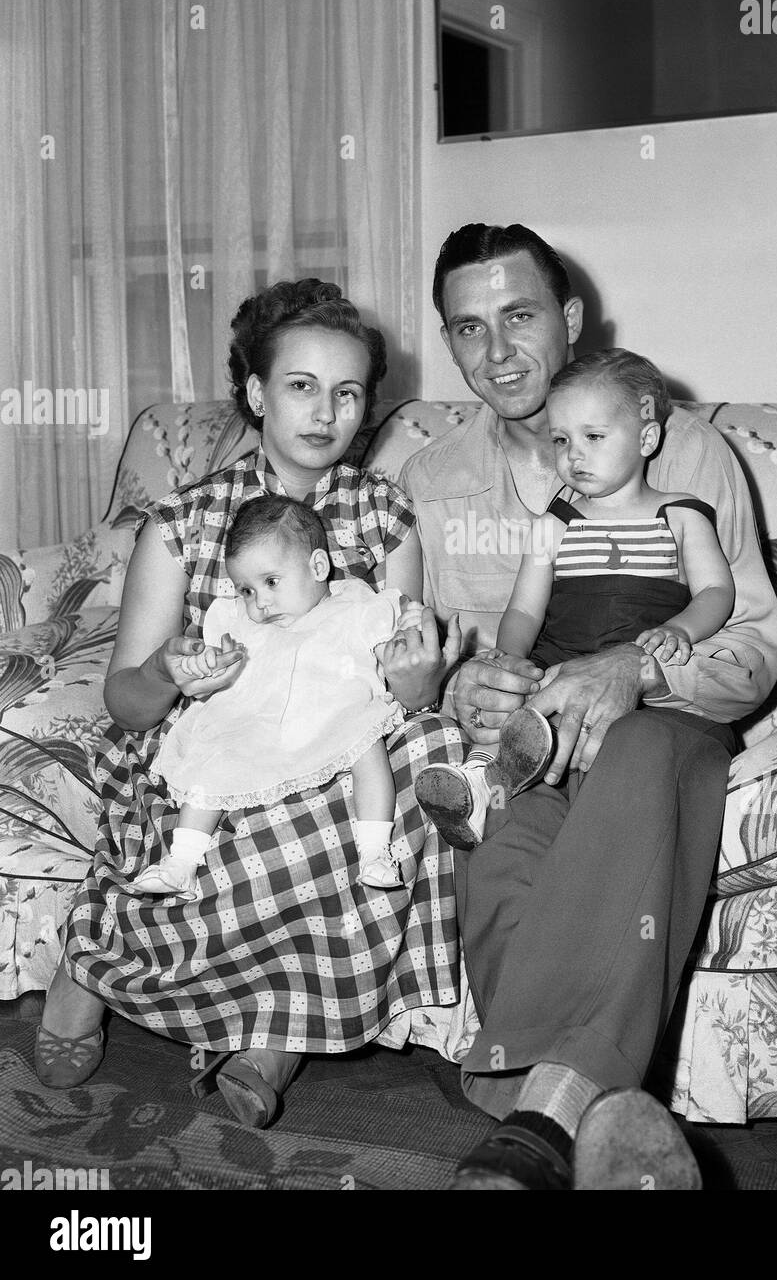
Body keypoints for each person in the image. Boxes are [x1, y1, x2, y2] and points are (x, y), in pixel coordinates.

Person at [400, 224, 777, 1189]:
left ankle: (541, 1115)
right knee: (498, 849)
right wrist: (457, 682)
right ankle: (592, 1120)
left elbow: (753, 650)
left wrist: (634, 671)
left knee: (642, 764)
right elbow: (405, 652)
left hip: (663, 725)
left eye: (519, 315)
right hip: (528, 737)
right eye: (467, 328)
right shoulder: (429, 480)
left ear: (570, 319)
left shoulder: (689, 455)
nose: (495, 352)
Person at [35, 279, 466, 1131]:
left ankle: (277, 1027)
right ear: (257, 393)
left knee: (420, 757)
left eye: (347, 393)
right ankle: (92, 966)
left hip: (332, 741)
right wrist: (171, 669)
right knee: (217, 792)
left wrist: (421, 679)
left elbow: (399, 688)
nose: (326, 412)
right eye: (301, 386)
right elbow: (126, 703)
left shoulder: (385, 520)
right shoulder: (182, 524)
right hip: (215, 739)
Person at [416, 348, 735, 851]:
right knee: (512, 712)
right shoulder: (554, 524)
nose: (573, 455)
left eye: (593, 437)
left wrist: (682, 630)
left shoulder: (680, 515)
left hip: (634, 669)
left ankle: (574, 813)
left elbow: (716, 590)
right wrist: (511, 658)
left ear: (646, 438)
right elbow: (524, 608)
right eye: (561, 440)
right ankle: (479, 786)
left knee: (621, 746)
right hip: (558, 661)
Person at [131, 495, 427, 898]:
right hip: (257, 722)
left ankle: (376, 850)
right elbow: (219, 658)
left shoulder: (356, 606)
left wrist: (407, 633)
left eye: (271, 582)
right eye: (246, 590)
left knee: (366, 745)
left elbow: (393, 655)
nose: (260, 602)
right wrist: (209, 663)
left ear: (318, 567)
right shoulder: (240, 622)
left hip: (336, 714)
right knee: (213, 754)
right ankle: (181, 860)